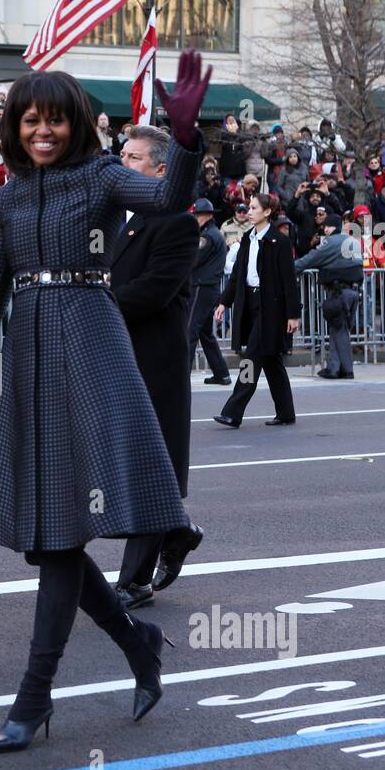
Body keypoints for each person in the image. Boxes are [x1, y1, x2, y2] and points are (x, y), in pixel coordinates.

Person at [0, 53, 210, 752]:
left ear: (77, 125)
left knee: (60, 537)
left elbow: (166, 200)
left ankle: (33, 700)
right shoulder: (4, 197)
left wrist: (183, 142)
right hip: (28, 354)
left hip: (90, 343)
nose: (42, 130)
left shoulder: (100, 176)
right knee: (48, 539)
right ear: (14, 126)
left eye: (55, 119)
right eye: (30, 119)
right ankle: (138, 642)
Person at [103, 124, 207, 612]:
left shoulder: (177, 223)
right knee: (127, 468)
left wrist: (90, 302)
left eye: (134, 158)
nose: (123, 164)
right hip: (115, 361)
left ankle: (135, 580)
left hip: (154, 366)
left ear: (161, 171)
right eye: (121, 155)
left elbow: (152, 291)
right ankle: (179, 529)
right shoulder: (119, 221)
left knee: (147, 469)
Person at [213, 193, 301, 428]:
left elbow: (289, 280)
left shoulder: (279, 241)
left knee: (251, 358)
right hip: (249, 303)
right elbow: (237, 276)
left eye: (254, 208)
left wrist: (293, 314)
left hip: (271, 308)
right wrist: (224, 302)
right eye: (249, 207)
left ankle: (233, 411)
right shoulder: (247, 238)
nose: (249, 211)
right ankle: (286, 412)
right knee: (271, 360)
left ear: (267, 212)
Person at [294, 213, 363, 379]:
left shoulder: (330, 243)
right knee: (339, 329)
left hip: (338, 292)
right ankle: (334, 367)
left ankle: (346, 370)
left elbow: (308, 261)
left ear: (333, 227)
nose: (324, 229)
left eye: (326, 226)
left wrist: (284, 268)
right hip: (354, 292)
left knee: (339, 330)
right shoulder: (353, 241)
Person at [189, 197, 230, 384]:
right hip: (208, 287)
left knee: (189, 331)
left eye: (197, 215)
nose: (195, 218)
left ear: (206, 216)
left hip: (202, 287)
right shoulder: (212, 233)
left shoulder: (207, 236)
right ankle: (222, 373)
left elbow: (193, 259)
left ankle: (181, 375)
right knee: (205, 334)